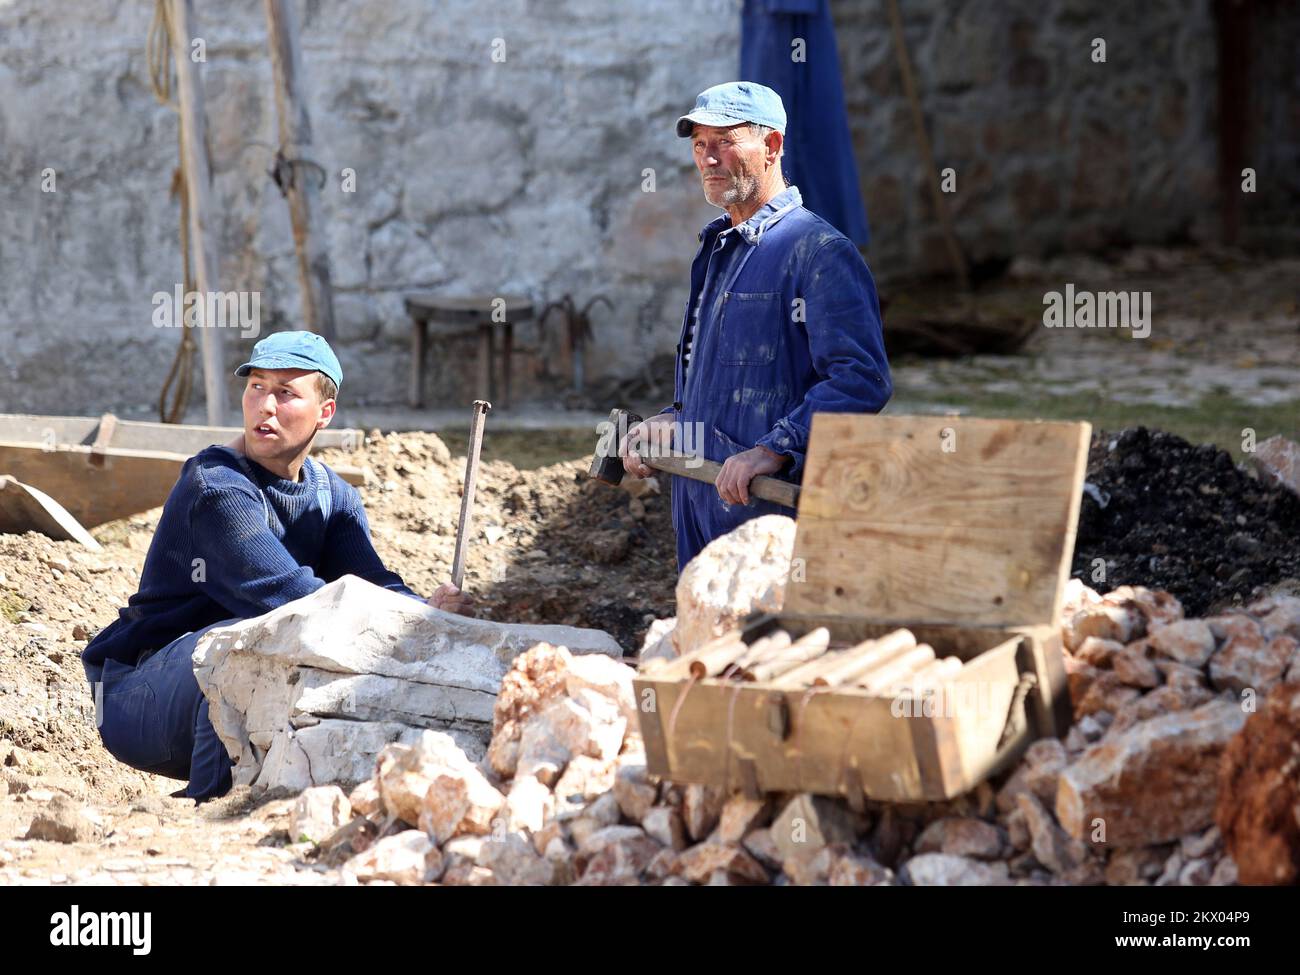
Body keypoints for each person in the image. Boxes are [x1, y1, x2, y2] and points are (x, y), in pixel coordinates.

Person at [82, 331, 472, 801]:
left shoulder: (333, 495)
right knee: (257, 635)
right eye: (257, 387)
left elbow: (373, 584)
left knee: (298, 645)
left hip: (212, 696)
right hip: (138, 701)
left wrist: (427, 612)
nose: (266, 405)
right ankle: (211, 799)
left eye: (286, 393)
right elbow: (290, 596)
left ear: (324, 413)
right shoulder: (217, 488)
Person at [620, 81, 891, 570]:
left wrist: (774, 449)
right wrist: (674, 420)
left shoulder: (818, 252)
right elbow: (723, 376)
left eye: (725, 142)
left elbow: (859, 379)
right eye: (700, 145)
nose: (708, 158)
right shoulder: (717, 251)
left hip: (769, 512)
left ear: (771, 146)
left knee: (762, 646)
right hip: (701, 498)